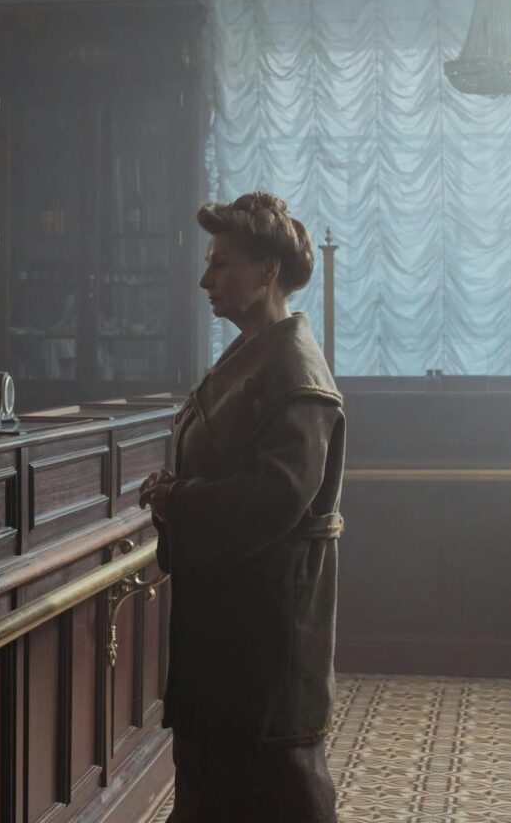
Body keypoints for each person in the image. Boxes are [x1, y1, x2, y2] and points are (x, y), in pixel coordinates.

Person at [139, 192, 345, 823]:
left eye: (221, 263)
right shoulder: (252, 354)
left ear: (267, 273)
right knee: (218, 784)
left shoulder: (295, 371)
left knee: (276, 788)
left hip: (266, 633)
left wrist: (180, 500)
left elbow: (276, 497)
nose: (206, 279)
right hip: (231, 622)